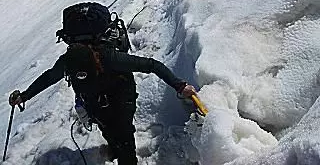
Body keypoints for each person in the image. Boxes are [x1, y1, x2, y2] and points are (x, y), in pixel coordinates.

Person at [8, 15, 198, 165]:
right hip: (95, 101)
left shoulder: (109, 58)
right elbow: (49, 77)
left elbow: (151, 65)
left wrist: (180, 86)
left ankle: (125, 157)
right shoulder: (69, 61)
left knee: (124, 136)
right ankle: (115, 149)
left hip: (121, 96)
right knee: (107, 128)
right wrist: (25, 96)